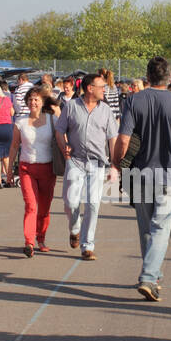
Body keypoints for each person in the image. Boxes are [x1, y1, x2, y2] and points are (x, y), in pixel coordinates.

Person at [114, 57, 171, 301]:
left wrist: (116, 163)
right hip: (168, 174)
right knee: (161, 226)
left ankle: (153, 274)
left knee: (146, 228)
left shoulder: (133, 100)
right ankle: (150, 277)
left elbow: (123, 139)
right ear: (170, 77)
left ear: (147, 76)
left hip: (140, 173)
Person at [57, 71, 119, 260]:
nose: (104, 90)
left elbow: (112, 138)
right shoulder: (72, 107)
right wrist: (64, 147)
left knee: (92, 204)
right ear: (90, 88)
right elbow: (59, 130)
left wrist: (115, 166)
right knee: (71, 202)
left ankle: (87, 245)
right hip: (75, 161)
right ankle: (74, 228)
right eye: (101, 87)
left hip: (97, 163)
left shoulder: (106, 110)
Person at [9, 87, 58, 256]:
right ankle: (29, 242)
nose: (33, 102)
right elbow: (14, 146)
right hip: (26, 168)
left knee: (44, 208)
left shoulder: (53, 120)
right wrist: (9, 170)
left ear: (42, 101)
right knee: (31, 206)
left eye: (36, 99)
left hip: (48, 169)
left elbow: (62, 140)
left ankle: (41, 238)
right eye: (30, 99)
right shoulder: (20, 122)